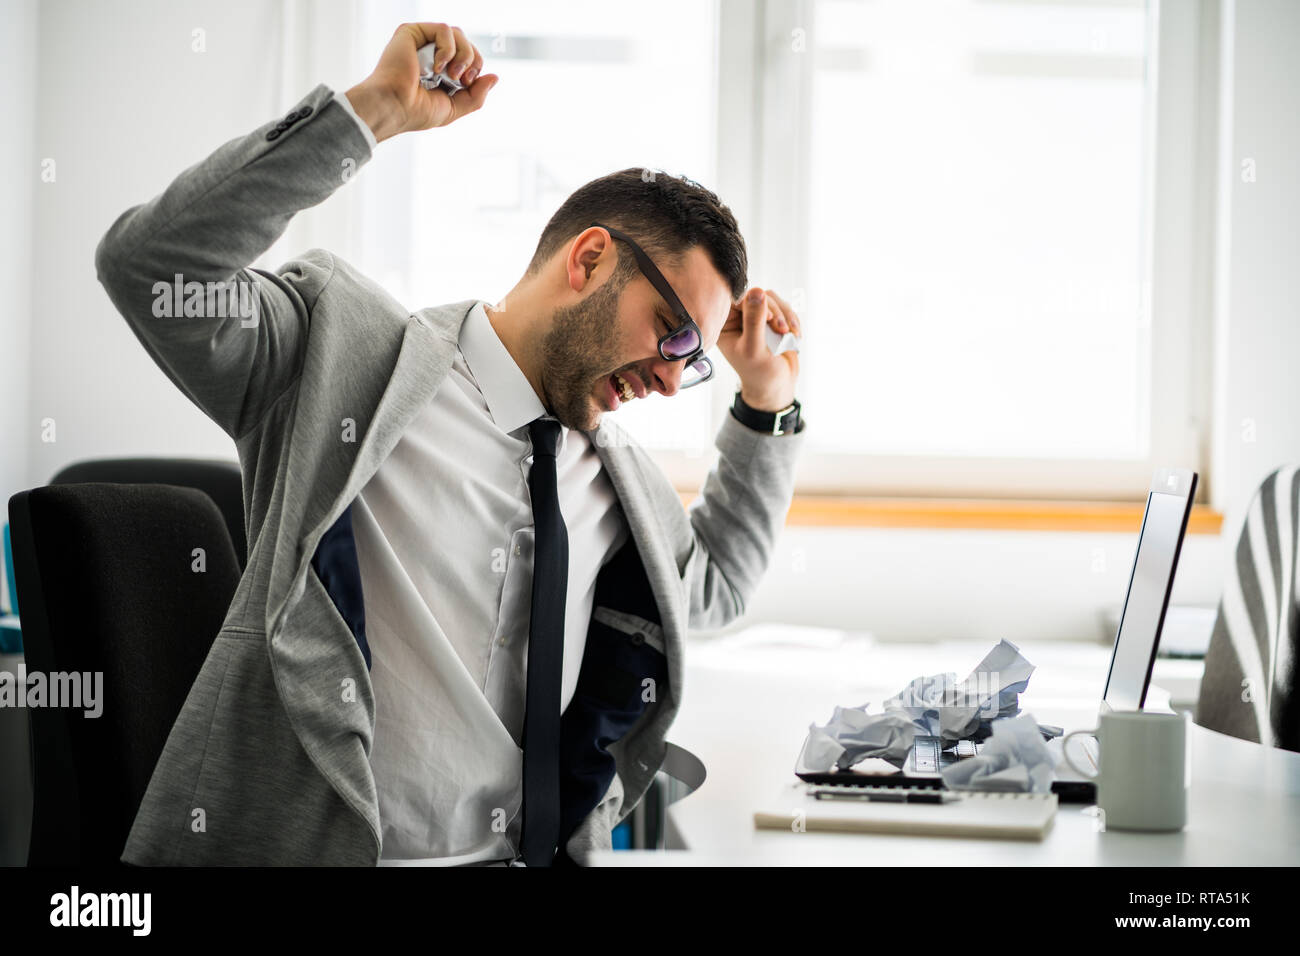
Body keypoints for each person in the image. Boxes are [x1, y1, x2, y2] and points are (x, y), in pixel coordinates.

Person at [95, 21, 807, 866]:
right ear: (588, 260)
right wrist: (369, 115)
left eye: (693, 367)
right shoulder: (344, 357)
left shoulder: (618, 480)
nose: (667, 378)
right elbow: (150, 267)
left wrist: (767, 405)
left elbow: (714, 588)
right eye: (674, 336)